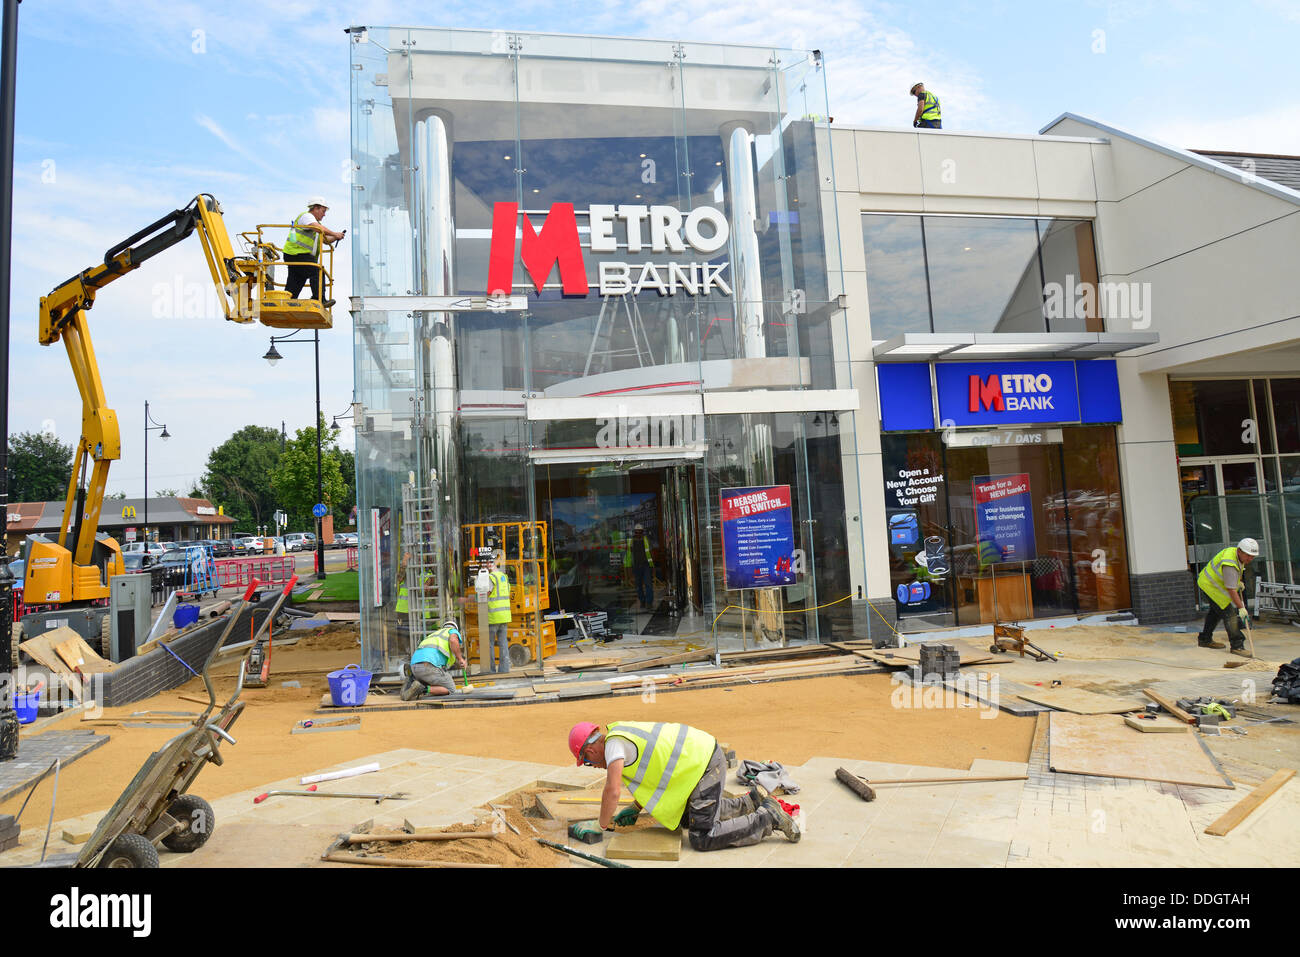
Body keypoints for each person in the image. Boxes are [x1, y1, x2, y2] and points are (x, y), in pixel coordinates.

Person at [567, 721, 800, 851]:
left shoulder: (613, 747)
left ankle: (767, 818)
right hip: (698, 761)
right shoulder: (620, 737)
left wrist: (601, 825)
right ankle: (750, 802)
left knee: (702, 836)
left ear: (590, 750)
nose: (592, 766)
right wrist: (636, 807)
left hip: (703, 764)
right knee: (685, 818)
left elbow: (612, 790)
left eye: (587, 762)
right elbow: (656, 769)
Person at [1196, 537, 1259, 657]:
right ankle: (1237, 646)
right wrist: (1241, 608)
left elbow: (1238, 571)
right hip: (1211, 587)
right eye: (1248, 555)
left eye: (1252, 556)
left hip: (1211, 583)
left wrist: (1238, 582)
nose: (1250, 559)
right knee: (1230, 615)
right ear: (1240, 551)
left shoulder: (1236, 555)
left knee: (1215, 613)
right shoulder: (1229, 563)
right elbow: (1231, 590)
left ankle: (1205, 639)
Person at [283, 198, 345, 305]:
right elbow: (317, 228)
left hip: (294, 255)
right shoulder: (307, 217)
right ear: (316, 208)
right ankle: (319, 299)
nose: (324, 215)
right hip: (297, 253)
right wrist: (335, 234)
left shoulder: (315, 226)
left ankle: (287, 302)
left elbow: (325, 241)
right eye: (323, 211)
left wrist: (336, 237)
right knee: (317, 271)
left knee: (296, 281)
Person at [400, 619, 467, 700]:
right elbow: (453, 640)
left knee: (434, 679)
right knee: (451, 689)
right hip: (428, 666)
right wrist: (460, 659)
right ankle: (422, 689)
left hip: (414, 667)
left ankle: (412, 684)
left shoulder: (433, 635)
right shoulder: (452, 631)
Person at [486, 556, 512, 674]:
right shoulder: (503, 577)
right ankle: (504, 669)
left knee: (489, 644)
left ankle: (491, 670)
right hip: (505, 615)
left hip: (493, 616)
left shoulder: (491, 577)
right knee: (503, 643)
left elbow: (486, 594)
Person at [623, 523, 655, 609]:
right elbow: (628, 555)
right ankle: (642, 601)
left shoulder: (646, 540)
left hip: (646, 565)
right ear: (634, 532)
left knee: (648, 584)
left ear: (642, 532)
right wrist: (628, 568)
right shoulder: (630, 542)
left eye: (639, 532)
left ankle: (649, 602)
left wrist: (653, 565)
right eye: (636, 532)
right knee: (638, 586)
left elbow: (651, 552)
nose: (638, 534)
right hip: (636, 566)